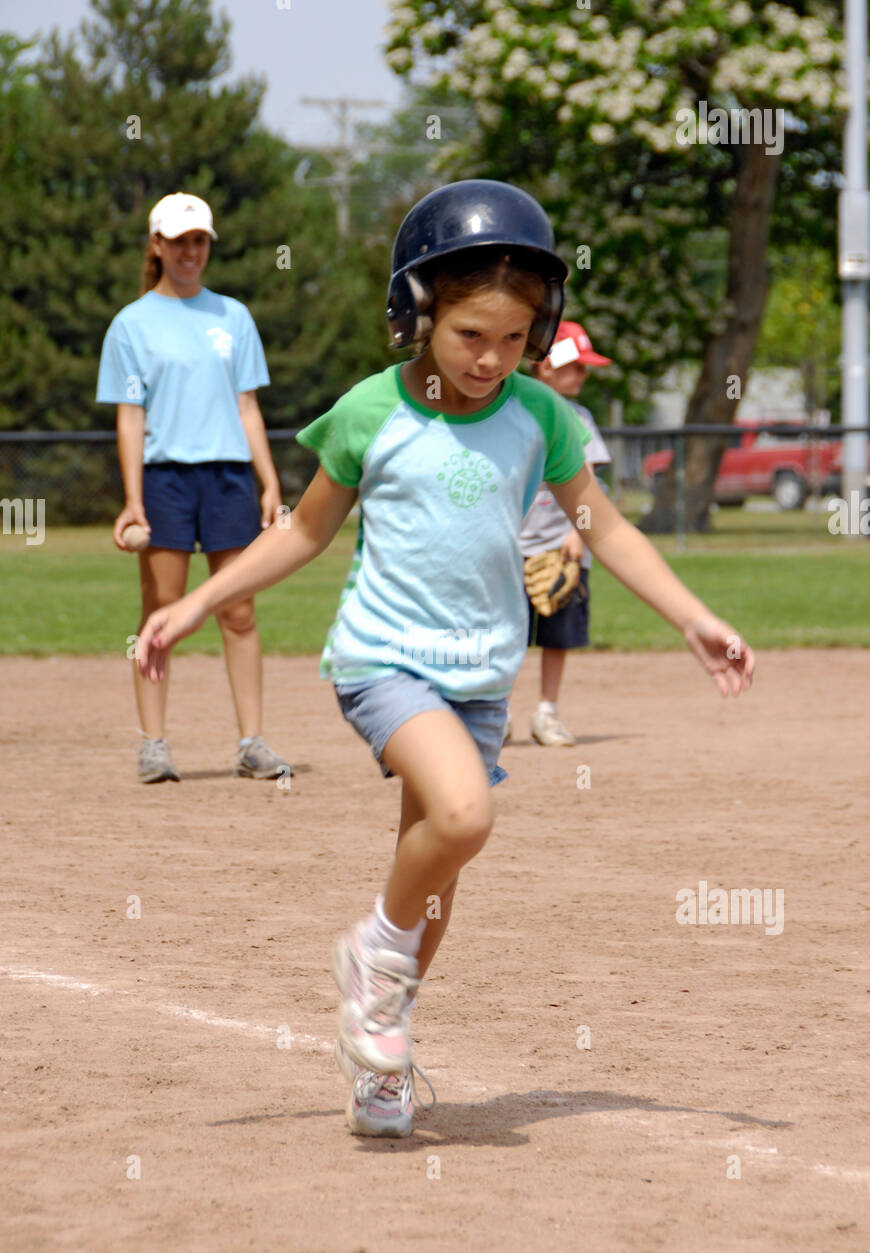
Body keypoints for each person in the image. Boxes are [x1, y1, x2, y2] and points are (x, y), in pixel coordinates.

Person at [135, 180, 754, 1139]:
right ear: (418, 312)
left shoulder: (538, 419)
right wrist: (196, 603)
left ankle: (380, 1053)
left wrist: (694, 618)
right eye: (471, 335)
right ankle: (368, 956)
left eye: (515, 340)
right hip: (382, 660)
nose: (491, 359)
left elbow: (609, 528)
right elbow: (300, 535)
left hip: (480, 676)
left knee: (434, 879)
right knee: (465, 816)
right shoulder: (368, 413)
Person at [96, 191, 291, 784]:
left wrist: (269, 480)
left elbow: (247, 406)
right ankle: (154, 745)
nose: (190, 251)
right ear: (157, 245)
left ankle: (252, 743)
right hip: (166, 480)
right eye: (179, 241)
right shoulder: (131, 324)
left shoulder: (232, 316)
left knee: (238, 610)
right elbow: (130, 417)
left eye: (199, 240)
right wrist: (133, 499)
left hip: (229, 476)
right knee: (159, 611)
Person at [508, 320, 613, 746]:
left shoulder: (579, 417)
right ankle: (496, 711)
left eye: (586, 368)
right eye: (575, 366)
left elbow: (590, 483)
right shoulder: (515, 413)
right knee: (505, 633)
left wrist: (578, 533)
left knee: (559, 634)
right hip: (512, 547)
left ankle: (547, 712)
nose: (583, 375)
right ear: (544, 367)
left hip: (563, 544)